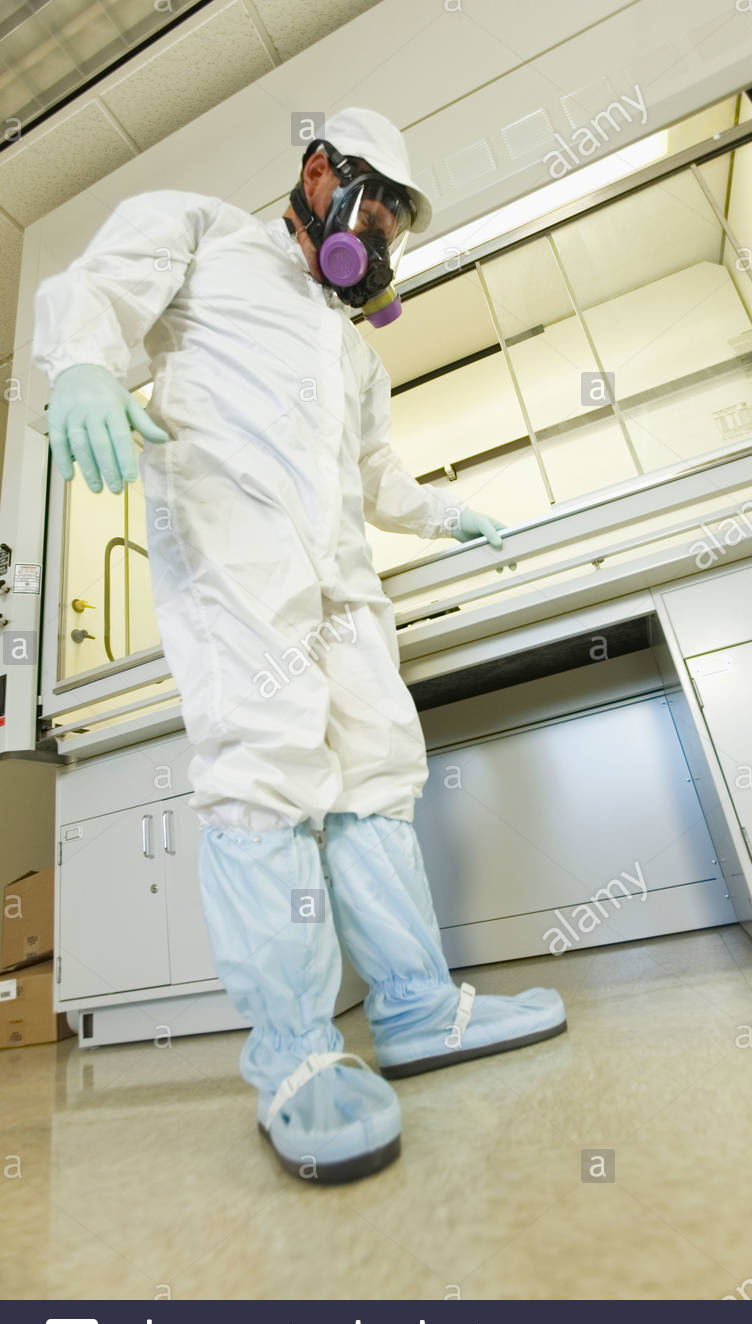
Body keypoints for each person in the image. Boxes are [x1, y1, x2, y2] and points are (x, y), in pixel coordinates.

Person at [33, 108, 566, 1184]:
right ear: (319, 172)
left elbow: (377, 474)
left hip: (339, 582)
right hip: (234, 561)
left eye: (396, 227)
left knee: (375, 772)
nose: (380, 239)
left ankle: (416, 1009)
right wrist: (83, 368)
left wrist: (446, 512)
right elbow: (94, 288)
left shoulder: (348, 342)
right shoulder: (197, 231)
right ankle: (294, 1059)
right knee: (267, 772)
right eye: (374, 207)